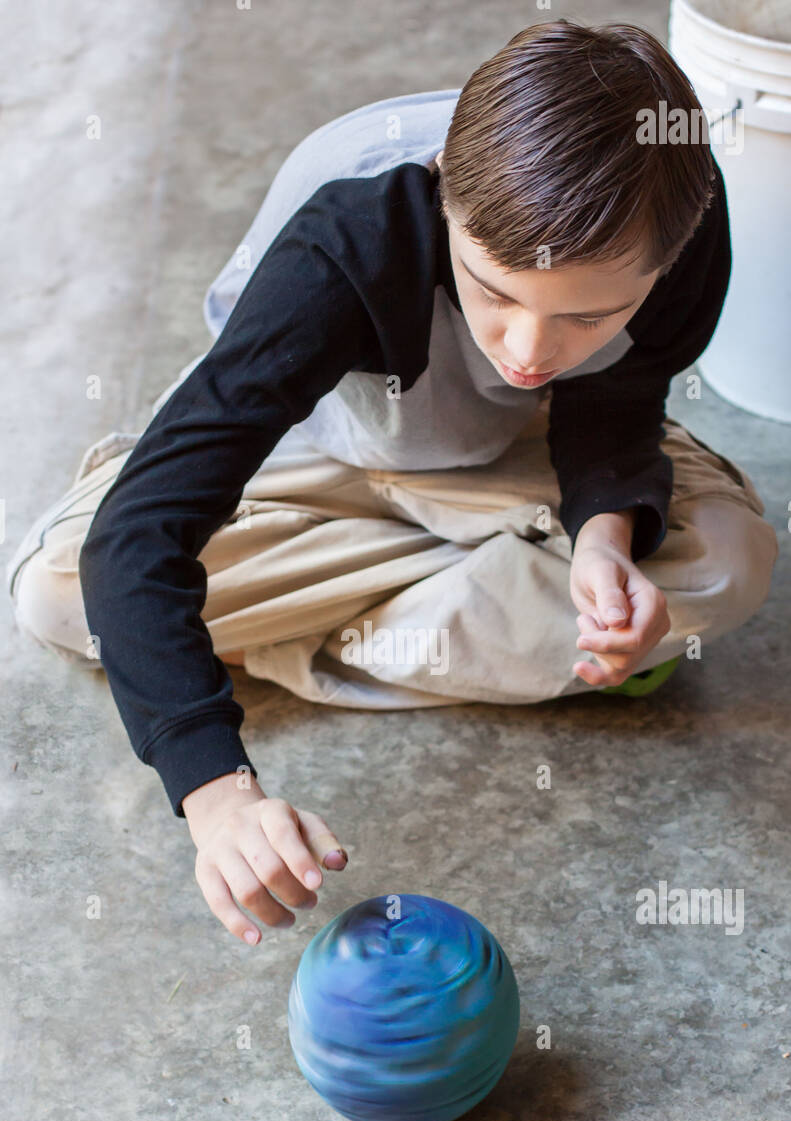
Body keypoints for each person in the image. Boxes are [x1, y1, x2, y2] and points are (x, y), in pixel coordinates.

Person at [6, 20, 777, 947]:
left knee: (730, 564)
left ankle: (280, 631)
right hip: (325, 450)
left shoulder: (680, 215)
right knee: (58, 592)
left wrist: (605, 538)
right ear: (448, 200)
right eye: (493, 293)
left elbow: (614, 403)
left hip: (511, 457)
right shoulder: (347, 240)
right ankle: (473, 610)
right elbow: (142, 533)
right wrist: (217, 798)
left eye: (587, 315)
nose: (528, 351)